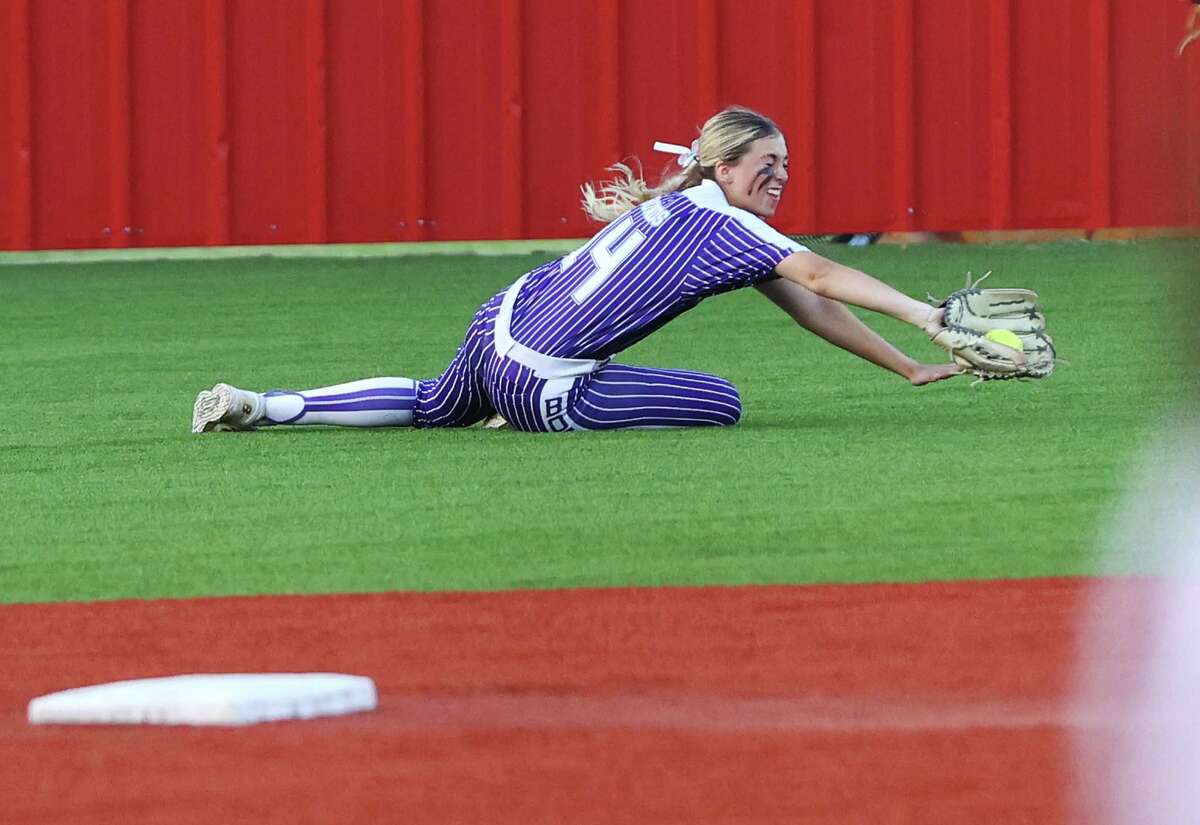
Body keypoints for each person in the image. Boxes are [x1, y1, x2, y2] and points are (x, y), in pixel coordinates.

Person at [192, 106, 961, 435]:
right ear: (725, 166)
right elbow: (822, 279)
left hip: (496, 323)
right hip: (543, 382)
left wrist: (907, 367)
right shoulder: (727, 223)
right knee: (722, 400)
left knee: (432, 404)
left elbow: (810, 304)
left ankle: (265, 404)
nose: (781, 176)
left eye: (787, 165)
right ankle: (510, 411)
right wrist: (927, 316)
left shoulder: (686, 203)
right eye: (767, 163)